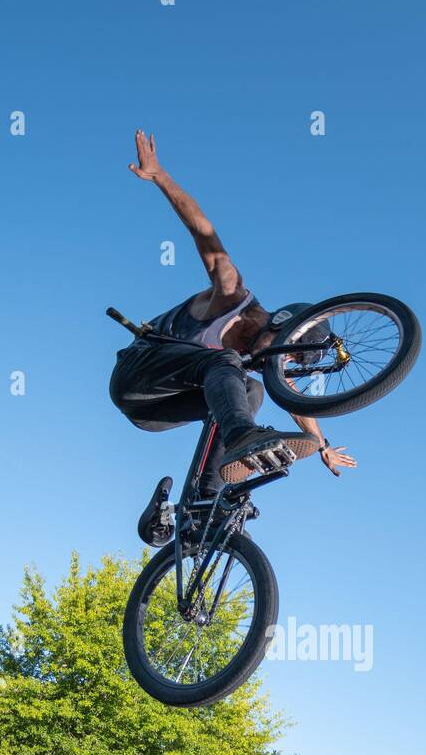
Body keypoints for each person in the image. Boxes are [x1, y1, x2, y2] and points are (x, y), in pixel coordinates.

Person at [109, 130, 356, 546]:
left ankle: (195, 512)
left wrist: (320, 444)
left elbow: (295, 401)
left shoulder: (263, 357)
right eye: (285, 356)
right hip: (137, 375)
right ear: (279, 325)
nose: (282, 365)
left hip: (153, 413)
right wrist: (161, 177)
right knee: (225, 365)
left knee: (251, 390)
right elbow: (203, 231)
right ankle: (242, 436)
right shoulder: (231, 294)